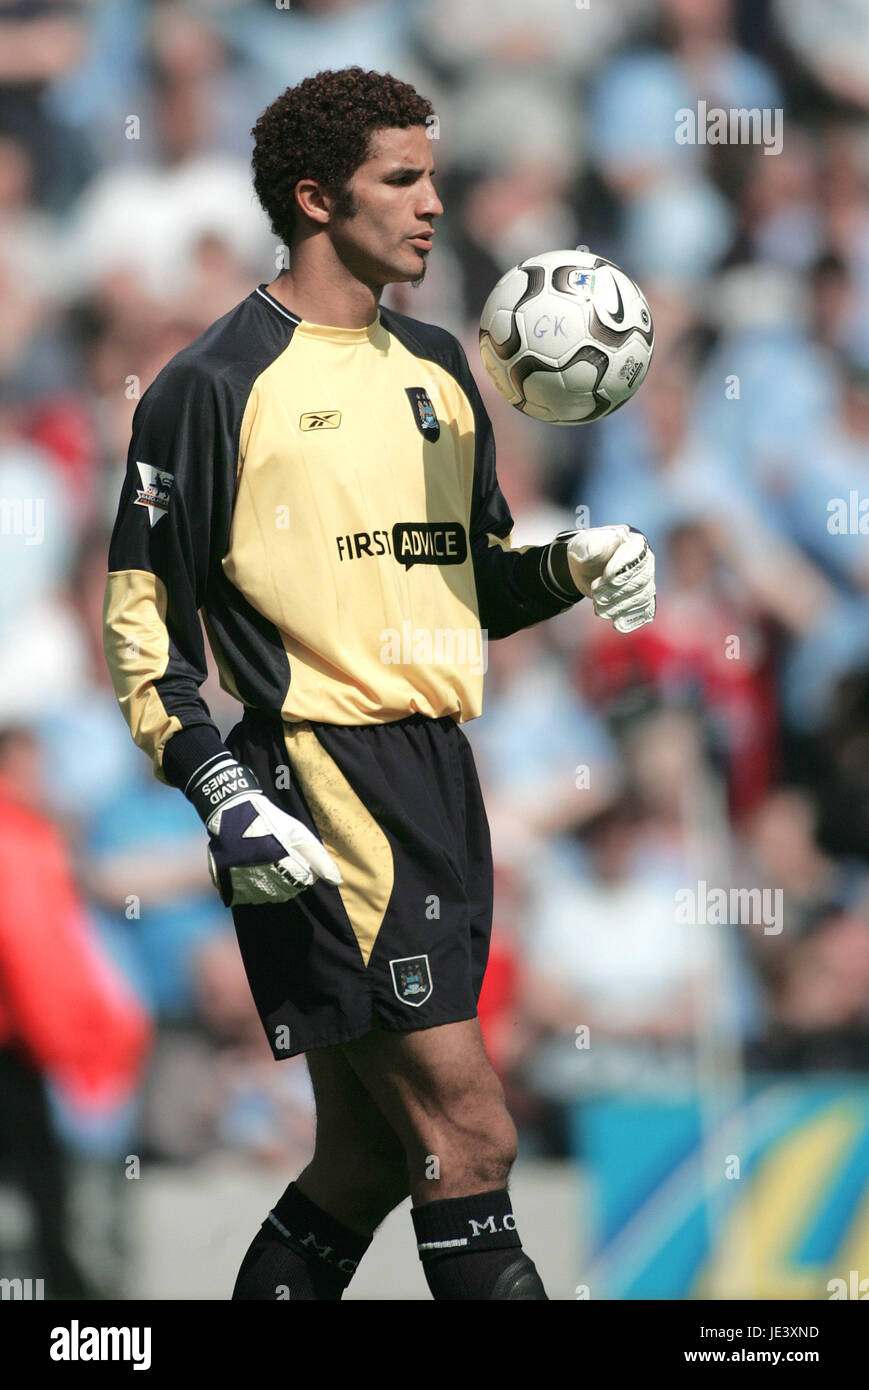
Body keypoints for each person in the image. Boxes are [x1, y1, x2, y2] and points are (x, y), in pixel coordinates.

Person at [102, 65, 656, 1302]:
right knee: (470, 1135)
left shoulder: (441, 367)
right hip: (318, 787)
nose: (430, 206)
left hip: (441, 778)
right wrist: (217, 788)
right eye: (399, 180)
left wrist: (571, 563)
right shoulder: (212, 384)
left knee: (361, 1157)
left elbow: (473, 580)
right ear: (313, 197)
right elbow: (142, 622)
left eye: (433, 176)